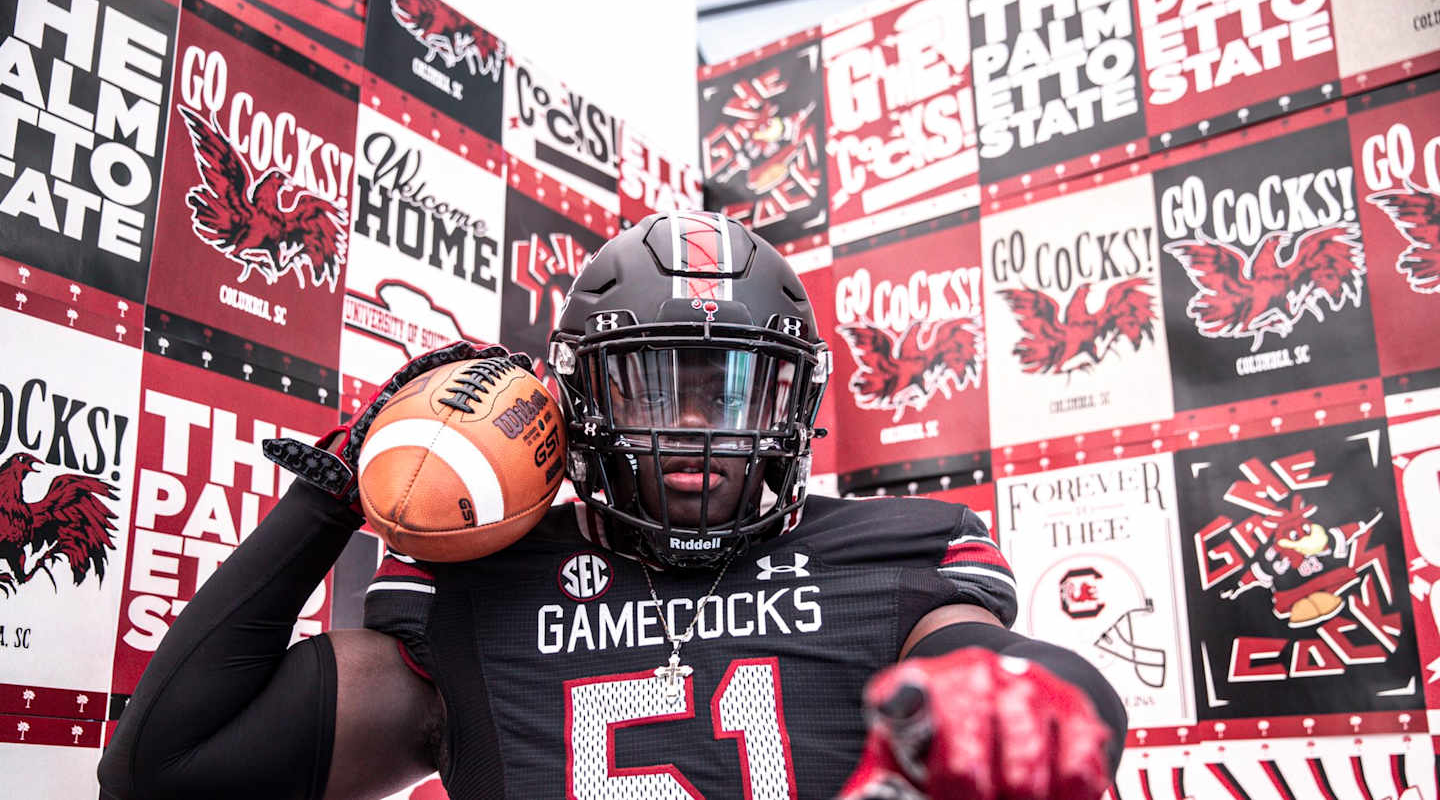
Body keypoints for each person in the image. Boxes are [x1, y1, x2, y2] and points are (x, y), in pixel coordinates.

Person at [98, 212, 1126, 799]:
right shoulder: (474, 590)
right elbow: (166, 777)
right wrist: (338, 482)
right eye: (655, 386)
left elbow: (997, 672)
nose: (697, 430)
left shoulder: (895, 560)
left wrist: (1031, 691)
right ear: (578, 399)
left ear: (797, 402)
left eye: (736, 389)